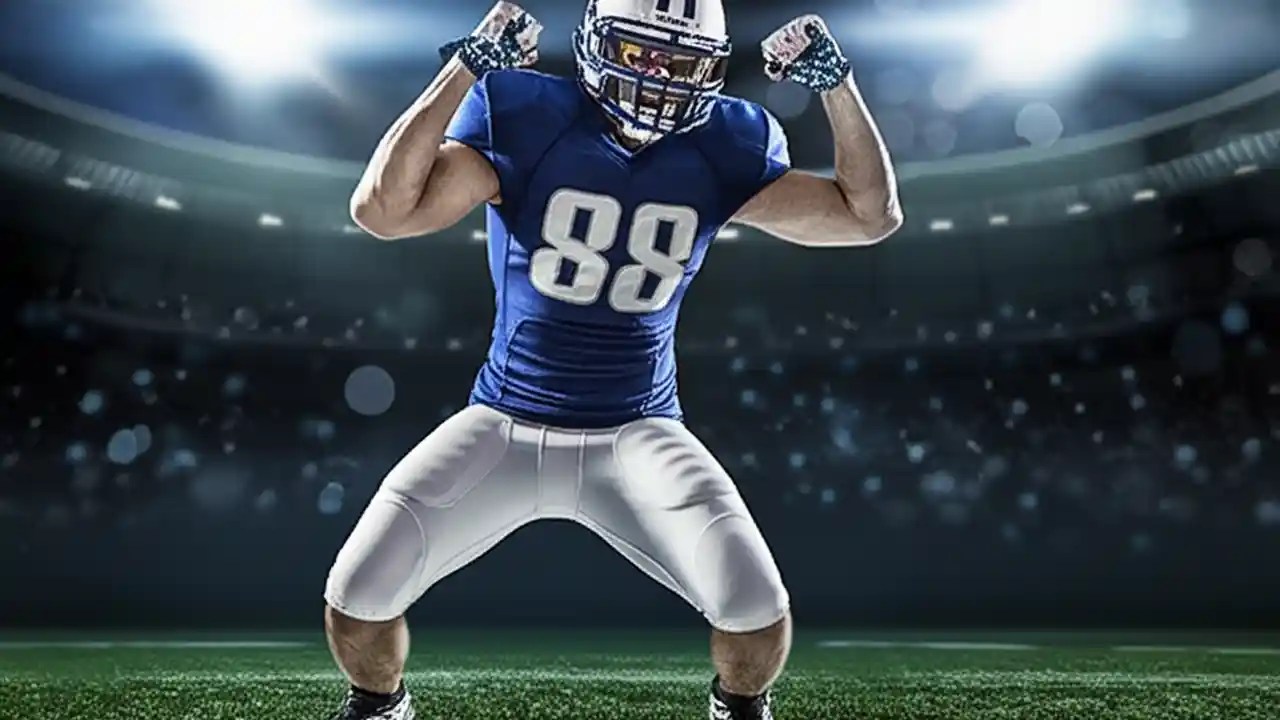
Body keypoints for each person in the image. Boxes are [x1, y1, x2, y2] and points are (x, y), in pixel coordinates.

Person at [326, 1, 901, 718]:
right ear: (596, 44)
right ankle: (383, 709)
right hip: (505, 419)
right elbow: (381, 210)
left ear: (711, 70)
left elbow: (868, 216)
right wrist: (464, 68)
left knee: (758, 619)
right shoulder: (528, 116)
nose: (656, 79)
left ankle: (737, 710)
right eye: (638, 54)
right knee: (355, 600)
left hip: (640, 430)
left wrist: (837, 86)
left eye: (677, 62)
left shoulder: (727, 144)